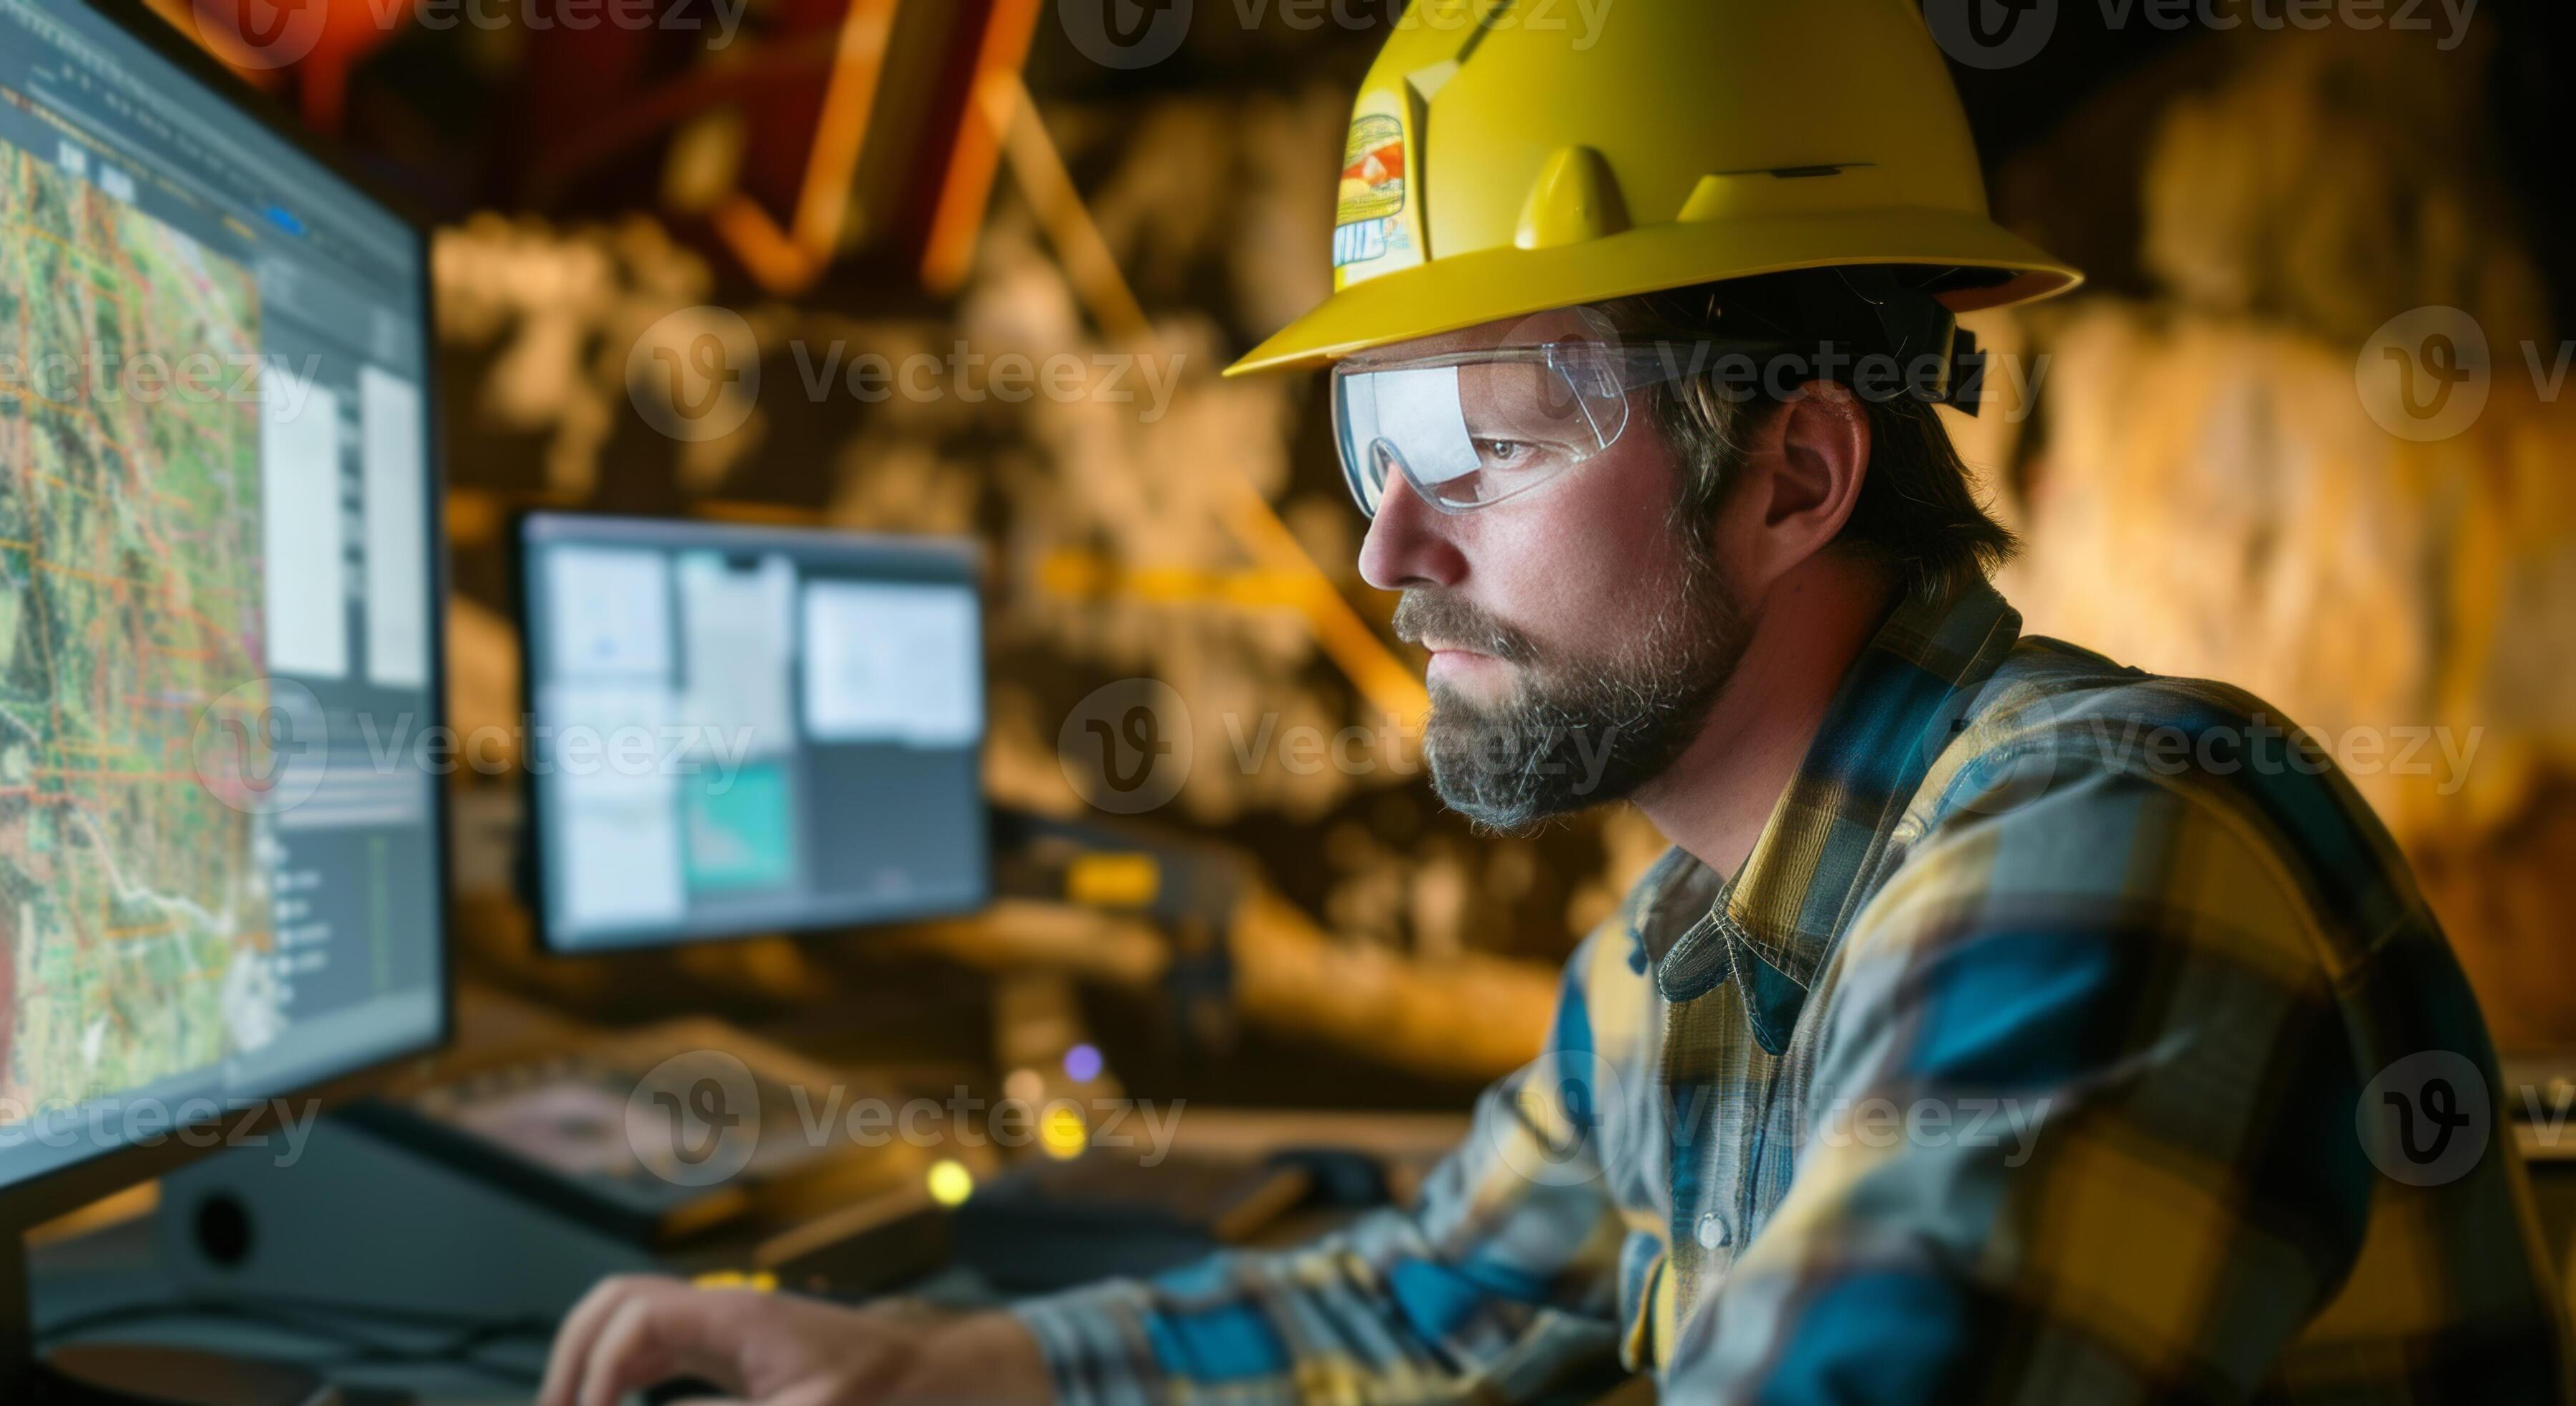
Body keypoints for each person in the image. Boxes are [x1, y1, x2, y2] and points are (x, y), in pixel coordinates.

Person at [540, 1, 2571, 1401]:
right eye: (1374, 435)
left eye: (1486, 433)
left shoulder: (2112, 845)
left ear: (1794, 473)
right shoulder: (1686, 949)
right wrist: (937, 1367)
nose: (1385, 551)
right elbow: (1446, 1306)